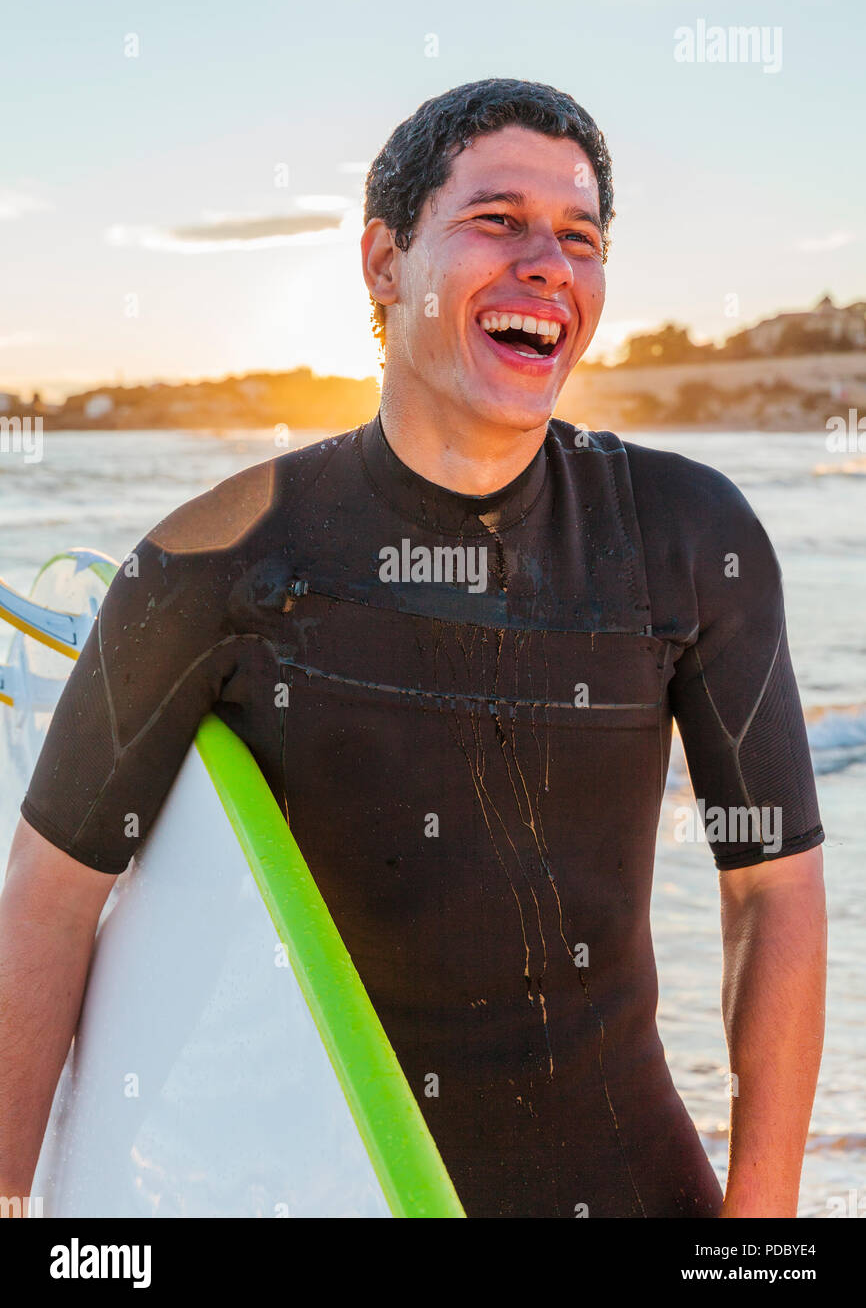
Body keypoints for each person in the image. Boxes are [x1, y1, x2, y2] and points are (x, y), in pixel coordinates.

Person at [0, 78, 826, 1218]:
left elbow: (772, 893)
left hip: (625, 1189)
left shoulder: (685, 538)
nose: (547, 262)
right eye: (497, 220)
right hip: (330, 1190)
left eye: (579, 238)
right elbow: (50, 897)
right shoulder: (214, 561)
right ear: (384, 263)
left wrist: (763, 1222)